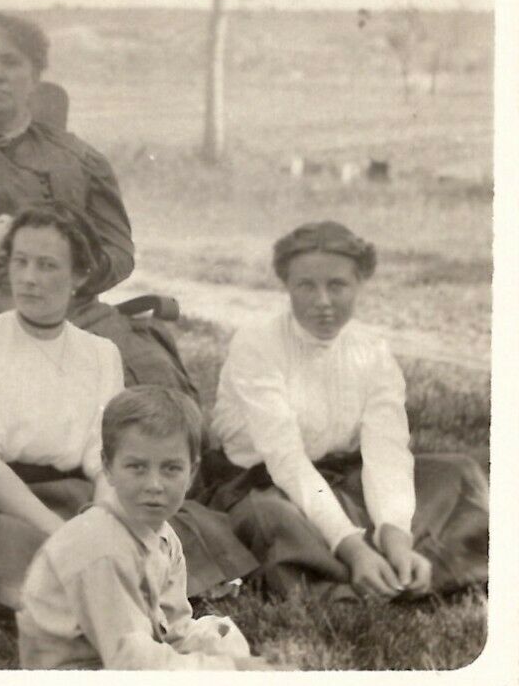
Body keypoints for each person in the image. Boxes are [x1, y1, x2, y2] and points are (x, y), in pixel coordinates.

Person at [0, 207, 253, 620]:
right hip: (1, 504)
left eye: (47, 265)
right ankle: (90, 594)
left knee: (180, 524)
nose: (29, 277)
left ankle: (98, 587)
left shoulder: (100, 353)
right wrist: (65, 534)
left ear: (80, 277)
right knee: (4, 543)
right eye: (20, 261)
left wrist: (103, 519)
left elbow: (103, 456)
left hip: (81, 497)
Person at [0, 12, 190, 394]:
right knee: (78, 390)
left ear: (35, 76)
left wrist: (72, 278)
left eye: (11, 62)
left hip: (78, 311)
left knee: (151, 380)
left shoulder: (80, 159)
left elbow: (118, 248)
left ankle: (165, 452)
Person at [206, 221, 489, 601]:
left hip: (344, 481)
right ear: (287, 286)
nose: (322, 300)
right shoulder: (257, 343)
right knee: (270, 519)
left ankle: (396, 566)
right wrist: (352, 547)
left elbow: (385, 451)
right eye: (306, 285)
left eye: (337, 285)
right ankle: (361, 578)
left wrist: (396, 534)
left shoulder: (371, 349)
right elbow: (286, 460)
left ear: (359, 284)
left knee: (460, 474)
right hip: (263, 482)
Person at [18, 387, 278, 671]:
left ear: (191, 473)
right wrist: (232, 670)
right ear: (107, 466)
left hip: (121, 659)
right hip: (74, 677)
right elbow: (132, 664)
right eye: (137, 468)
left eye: (171, 469)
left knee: (219, 637)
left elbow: (172, 628)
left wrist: (226, 657)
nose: (154, 485)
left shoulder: (164, 537)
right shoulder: (100, 547)